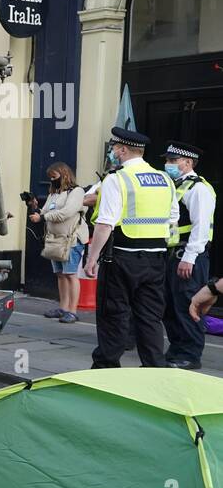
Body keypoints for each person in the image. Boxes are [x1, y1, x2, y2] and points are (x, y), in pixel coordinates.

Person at [84, 126, 177, 368]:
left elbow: (105, 224)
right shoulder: (165, 179)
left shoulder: (118, 178)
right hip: (156, 259)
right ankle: (155, 368)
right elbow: (173, 217)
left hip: (121, 258)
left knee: (113, 315)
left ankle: (105, 368)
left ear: (123, 149)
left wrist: (92, 258)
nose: (112, 152)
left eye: (114, 148)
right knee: (149, 317)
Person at [161, 141, 215, 369]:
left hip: (188, 254)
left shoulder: (198, 188)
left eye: (173, 161)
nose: (168, 164)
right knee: (169, 306)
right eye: (167, 160)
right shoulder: (174, 185)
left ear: (188, 162)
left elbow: (201, 226)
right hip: (171, 253)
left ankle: (191, 354)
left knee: (187, 304)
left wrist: (189, 257)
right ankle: (176, 349)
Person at [29, 162, 88, 324]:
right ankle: (63, 308)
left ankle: (72, 310)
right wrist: (35, 207)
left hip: (72, 238)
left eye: (54, 177)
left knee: (70, 274)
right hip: (55, 239)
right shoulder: (54, 194)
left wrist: (43, 217)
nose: (52, 180)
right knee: (61, 275)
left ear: (64, 174)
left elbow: (67, 212)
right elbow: (46, 211)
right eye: (50, 178)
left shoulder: (76, 192)